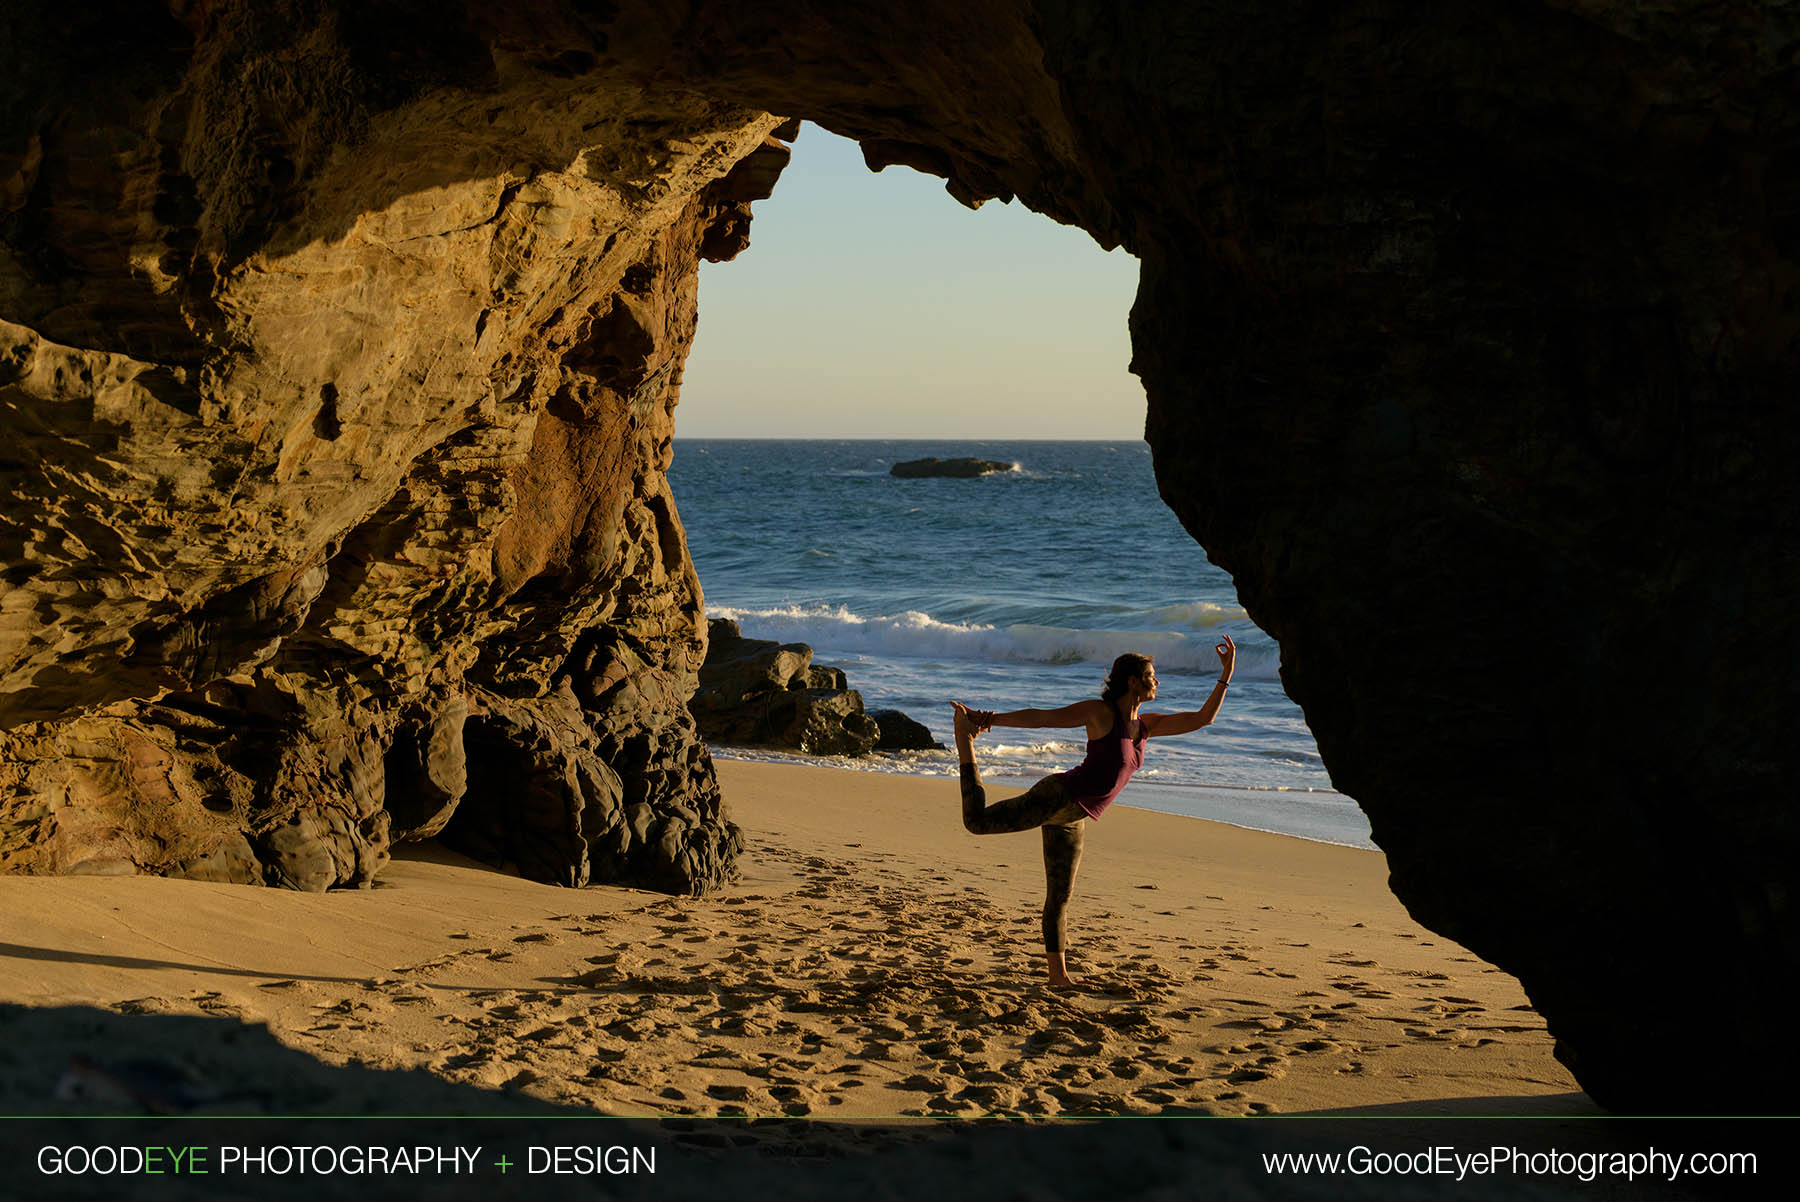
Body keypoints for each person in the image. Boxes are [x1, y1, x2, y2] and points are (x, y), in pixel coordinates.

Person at [951, 636, 1236, 989]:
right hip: (1058, 796)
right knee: (976, 823)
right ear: (1133, 681)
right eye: (1151, 675)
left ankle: (1059, 978)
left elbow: (1203, 719)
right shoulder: (1100, 714)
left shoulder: (1147, 726)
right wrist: (986, 718)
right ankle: (964, 738)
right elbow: (1044, 719)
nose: (1157, 681)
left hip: (1074, 817)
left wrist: (1226, 675)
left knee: (1060, 897)